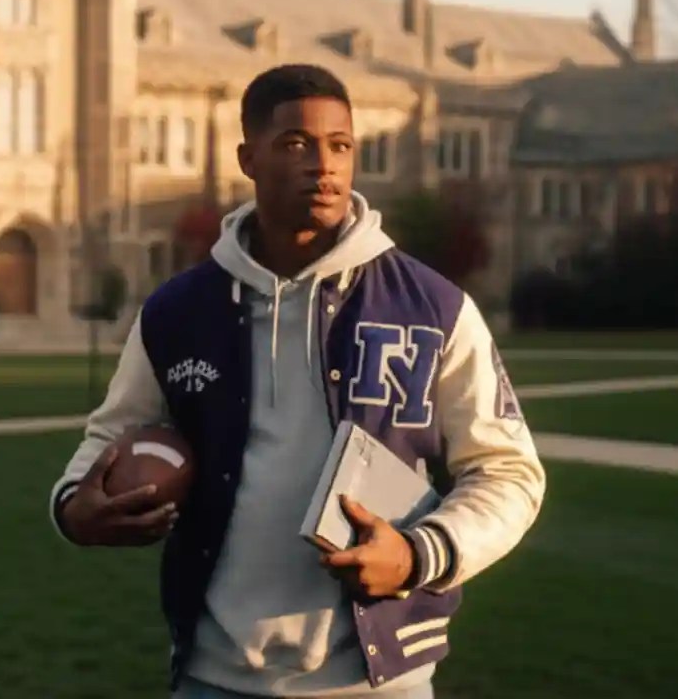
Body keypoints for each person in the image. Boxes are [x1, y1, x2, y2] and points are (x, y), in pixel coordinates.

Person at [50, 63, 546, 699]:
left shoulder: (433, 308)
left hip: (379, 683)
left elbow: (509, 472)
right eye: (296, 144)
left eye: (340, 145)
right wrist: (74, 508)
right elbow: (112, 435)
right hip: (213, 678)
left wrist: (421, 553)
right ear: (248, 158)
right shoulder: (178, 311)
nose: (323, 164)